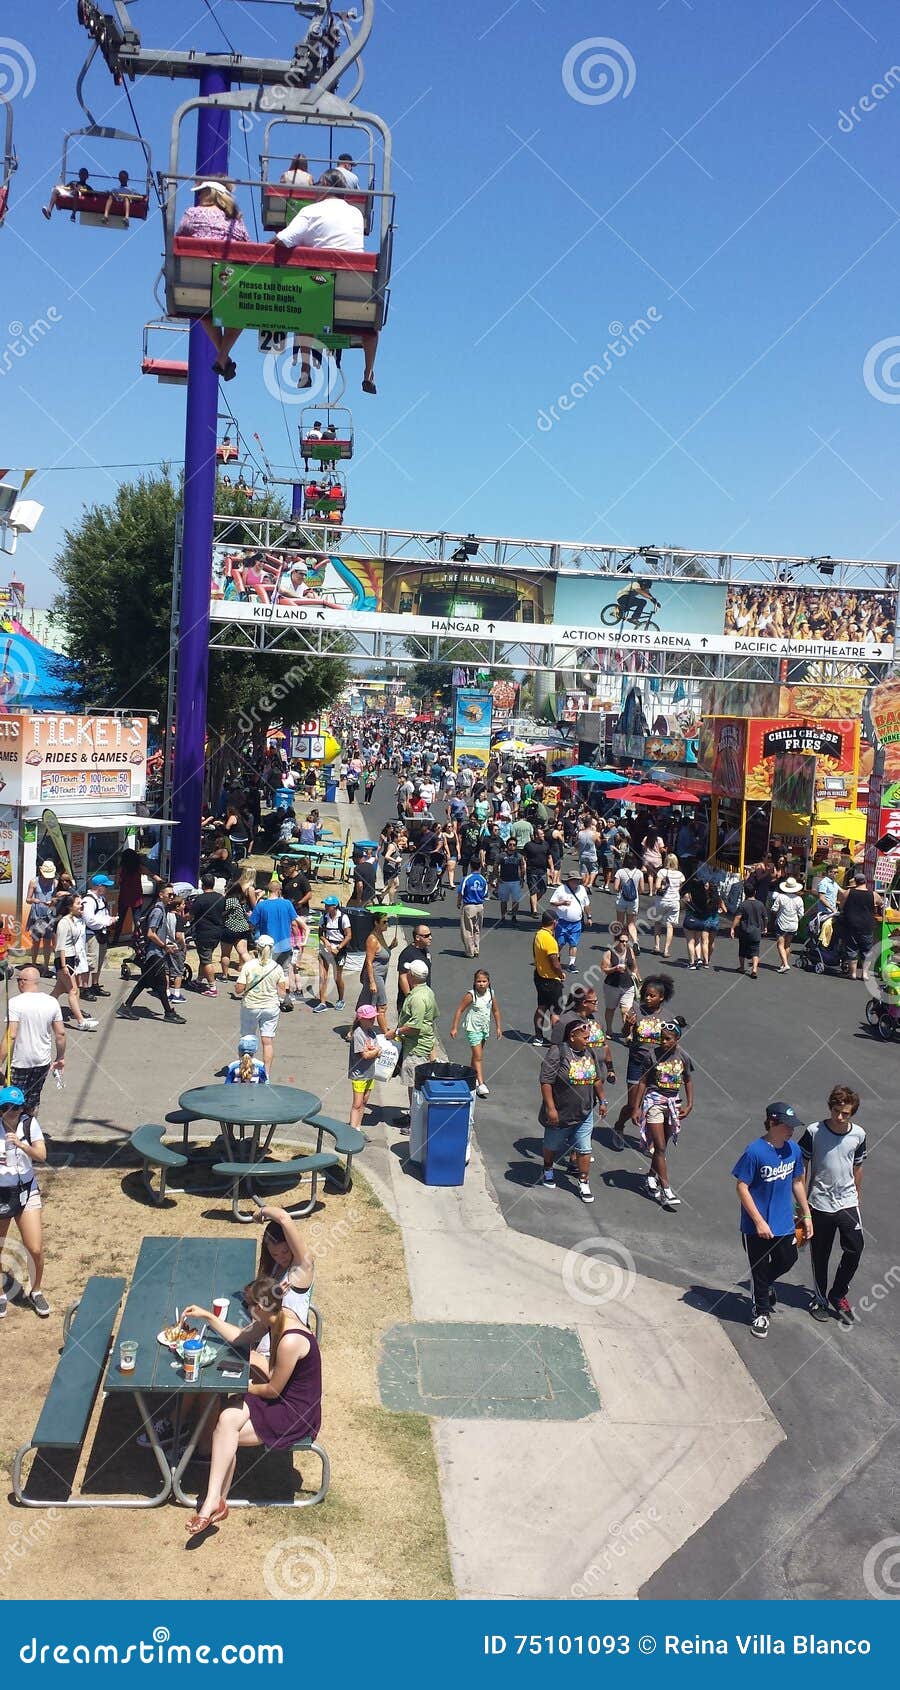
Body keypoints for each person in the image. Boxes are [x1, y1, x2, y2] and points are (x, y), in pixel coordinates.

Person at [182, 1275, 322, 1537]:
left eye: (249, 1305)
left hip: (294, 1410)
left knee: (225, 1432)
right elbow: (239, 1337)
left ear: (260, 1307)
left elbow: (272, 1389)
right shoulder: (276, 1316)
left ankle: (212, 1503)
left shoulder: (290, 1340)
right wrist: (207, 1316)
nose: (247, 1310)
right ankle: (215, 1501)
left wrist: (241, 1385)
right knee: (226, 1420)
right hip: (278, 1396)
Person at [274, 170, 378, 393]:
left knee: (305, 317)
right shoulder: (356, 214)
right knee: (371, 327)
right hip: (355, 292)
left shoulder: (310, 211)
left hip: (319, 290)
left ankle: (305, 370)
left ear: (325, 186)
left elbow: (284, 239)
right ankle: (368, 372)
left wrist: (261, 249)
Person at [732, 1101, 813, 1339]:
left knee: (788, 1259)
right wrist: (758, 1221)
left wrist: (806, 1214)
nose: (792, 1130)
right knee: (758, 1268)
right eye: (787, 1126)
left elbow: (797, 1182)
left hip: (783, 1221)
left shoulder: (793, 1150)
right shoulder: (755, 1151)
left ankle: (763, 1285)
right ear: (772, 1123)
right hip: (755, 1224)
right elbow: (742, 1187)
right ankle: (761, 1312)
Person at [800, 1085, 866, 1326]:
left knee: (855, 1248)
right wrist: (801, 1205)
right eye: (836, 1111)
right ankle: (819, 1300)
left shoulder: (859, 1134)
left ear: (852, 1113)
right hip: (819, 1202)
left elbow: (857, 1166)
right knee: (821, 1254)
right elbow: (802, 1166)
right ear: (830, 1108)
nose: (839, 1117)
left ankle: (838, 1294)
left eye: (845, 1113)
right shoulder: (813, 1131)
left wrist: (857, 1195)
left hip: (847, 1202)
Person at [176, 181, 250, 378]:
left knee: (203, 309)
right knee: (242, 310)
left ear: (210, 194)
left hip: (197, 279)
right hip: (229, 279)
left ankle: (223, 356)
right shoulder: (236, 221)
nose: (199, 195)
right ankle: (222, 356)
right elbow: (247, 246)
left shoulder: (192, 213)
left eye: (201, 192)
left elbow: (179, 237)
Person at [538, 1020, 605, 1203]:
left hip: (584, 1112)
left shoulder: (589, 1052)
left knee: (584, 1147)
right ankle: (548, 1168)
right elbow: (546, 1081)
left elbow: (596, 1079)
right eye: (585, 1037)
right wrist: (551, 1108)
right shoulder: (557, 1052)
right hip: (560, 1113)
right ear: (572, 1036)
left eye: (589, 1037)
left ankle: (583, 1182)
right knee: (552, 1144)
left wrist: (602, 1100)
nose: (588, 1040)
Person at [630, 1018, 693, 1210]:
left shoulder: (683, 1057)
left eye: (668, 1039)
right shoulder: (652, 1056)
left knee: (662, 1146)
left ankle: (651, 1176)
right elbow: (643, 1081)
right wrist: (636, 1107)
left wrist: (690, 1104)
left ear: (676, 1039)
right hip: (654, 1102)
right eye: (661, 1038)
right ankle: (666, 1189)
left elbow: (688, 1080)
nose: (663, 1042)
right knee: (660, 1146)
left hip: (673, 1102)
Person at [0, 1086, 49, 1319]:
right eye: (6, 1107)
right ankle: (1, 1295)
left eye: (17, 1107)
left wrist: (22, 1145)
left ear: (23, 1108)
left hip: (26, 1190)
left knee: (35, 1247)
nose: (12, 1112)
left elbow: (42, 1156)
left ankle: (36, 1290)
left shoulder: (29, 1125)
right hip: (1, 1193)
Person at [611, 974, 675, 1148]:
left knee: (653, 1106)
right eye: (646, 994)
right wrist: (627, 1024)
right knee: (633, 1105)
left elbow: (671, 1043)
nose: (647, 998)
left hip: (656, 1067)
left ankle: (652, 1139)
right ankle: (619, 1126)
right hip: (637, 1063)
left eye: (652, 996)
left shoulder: (667, 1018)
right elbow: (625, 1034)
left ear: (661, 997)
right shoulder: (636, 1010)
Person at [0, 966, 66, 1115]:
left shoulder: (15, 1002)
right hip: (42, 1061)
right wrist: (60, 1057)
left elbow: (11, 1035)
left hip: (19, 1062)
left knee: (11, 1102)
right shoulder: (52, 1002)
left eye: (18, 980)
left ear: (23, 982)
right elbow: (60, 1034)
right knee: (32, 1102)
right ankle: (30, 1126)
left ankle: (12, 1128)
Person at [116, 884, 186, 1025]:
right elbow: (151, 934)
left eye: (173, 895)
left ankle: (126, 1007)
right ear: (161, 895)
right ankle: (168, 1013)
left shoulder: (163, 909)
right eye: (169, 895)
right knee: (161, 984)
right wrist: (164, 946)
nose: (172, 897)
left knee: (145, 982)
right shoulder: (158, 911)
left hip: (156, 952)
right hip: (154, 954)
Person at [235, 934, 286, 1074]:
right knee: (267, 1041)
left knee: (247, 1039)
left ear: (257, 948)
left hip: (251, 1006)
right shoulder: (276, 967)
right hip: (270, 1007)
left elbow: (239, 989)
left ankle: (246, 1071)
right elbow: (282, 992)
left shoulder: (249, 965)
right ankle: (266, 1074)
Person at [450, 969, 502, 1098]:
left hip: (484, 1028)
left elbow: (495, 1011)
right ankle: (481, 1084)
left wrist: (498, 1027)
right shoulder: (471, 995)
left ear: (489, 982)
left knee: (476, 1055)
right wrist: (454, 1027)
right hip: (472, 1029)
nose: (482, 984)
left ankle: (470, 1077)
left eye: (484, 981)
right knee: (478, 1057)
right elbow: (460, 1010)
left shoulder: (491, 993)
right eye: (479, 981)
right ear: (474, 982)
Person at [395, 960, 438, 1115]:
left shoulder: (418, 998)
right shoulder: (428, 992)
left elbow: (414, 1027)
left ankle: (415, 1120)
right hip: (422, 1046)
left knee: (415, 1087)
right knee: (415, 1086)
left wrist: (396, 1032)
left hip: (416, 1049)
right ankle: (413, 1115)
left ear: (412, 975)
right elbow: (433, 1016)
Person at [51, 894, 97, 1032]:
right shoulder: (64, 922)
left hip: (71, 958)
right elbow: (60, 946)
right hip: (64, 960)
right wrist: (64, 965)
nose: (81, 905)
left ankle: (40, 1011)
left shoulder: (73, 919)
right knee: (73, 990)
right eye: (78, 903)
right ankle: (81, 1021)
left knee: (58, 990)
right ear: (70, 907)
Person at [250, 880, 299, 1008]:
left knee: (266, 972)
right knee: (284, 973)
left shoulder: (262, 905)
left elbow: (252, 923)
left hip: (268, 946)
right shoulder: (287, 904)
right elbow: (294, 924)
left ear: (268, 890)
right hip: (285, 945)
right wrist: (296, 941)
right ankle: (284, 999)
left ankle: (266, 998)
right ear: (279, 891)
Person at [356, 910, 396, 1035]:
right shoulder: (372, 939)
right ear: (376, 923)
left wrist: (390, 947)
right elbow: (369, 961)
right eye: (384, 922)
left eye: (388, 921)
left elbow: (380, 954)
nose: (387, 924)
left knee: (365, 1004)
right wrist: (372, 982)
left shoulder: (380, 935)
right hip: (375, 976)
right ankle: (386, 1033)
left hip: (381, 975)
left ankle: (353, 1031)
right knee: (381, 1006)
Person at [838, 870, 882, 980]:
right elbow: (881, 904)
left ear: (855, 882)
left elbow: (841, 906)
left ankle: (853, 973)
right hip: (867, 925)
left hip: (851, 924)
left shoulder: (848, 892)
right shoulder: (873, 894)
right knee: (866, 949)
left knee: (852, 948)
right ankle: (865, 974)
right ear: (865, 881)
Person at [189, 871, 226, 996]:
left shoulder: (200, 899)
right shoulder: (221, 898)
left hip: (204, 933)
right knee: (205, 957)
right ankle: (199, 980)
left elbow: (191, 915)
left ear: (202, 884)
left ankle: (212, 987)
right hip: (217, 932)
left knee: (206, 960)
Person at [531, 911, 565, 1046]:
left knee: (541, 1007)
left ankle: (538, 1037)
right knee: (556, 1011)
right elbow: (555, 963)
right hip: (551, 981)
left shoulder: (538, 935)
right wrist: (561, 974)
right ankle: (556, 1041)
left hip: (539, 976)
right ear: (554, 922)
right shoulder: (550, 941)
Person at [80, 873, 115, 1000]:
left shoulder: (101, 899)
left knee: (99, 961)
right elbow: (89, 920)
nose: (107, 889)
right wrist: (107, 922)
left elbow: (103, 914)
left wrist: (109, 919)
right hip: (91, 935)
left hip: (101, 933)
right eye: (105, 886)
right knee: (90, 962)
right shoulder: (88, 900)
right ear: (98, 886)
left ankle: (95, 985)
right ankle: (84, 988)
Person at [314, 895, 351, 1012]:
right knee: (322, 977)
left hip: (339, 949)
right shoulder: (324, 918)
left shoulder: (343, 918)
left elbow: (348, 935)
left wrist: (338, 948)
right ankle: (322, 1003)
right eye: (325, 905)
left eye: (328, 905)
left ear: (334, 906)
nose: (325, 907)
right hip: (326, 949)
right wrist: (326, 942)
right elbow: (320, 934)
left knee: (337, 977)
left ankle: (341, 999)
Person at [681, 868, 722, 970]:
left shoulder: (688, 896)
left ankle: (692, 962)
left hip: (690, 919)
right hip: (701, 921)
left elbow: (682, 906)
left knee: (691, 941)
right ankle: (699, 958)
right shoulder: (704, 897)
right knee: (698, 941)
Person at [549, 871, 591, 971]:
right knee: (560, 943)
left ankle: (572, 964)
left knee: (573, 943)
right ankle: (555, 959)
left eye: (578, 880)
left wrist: (589, 917)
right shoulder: (561, 889)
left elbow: (586, 904)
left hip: (576, 923)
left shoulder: (582, 889)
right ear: (569, 881)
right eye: (574, 880)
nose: (576, 882)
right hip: (562, 922)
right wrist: (561, 903)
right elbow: (552, 902)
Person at [600, 931, 640, 1037]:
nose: (624, 943)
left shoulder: (630, 950)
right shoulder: (609, 953)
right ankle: (609, 1030)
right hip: (612, 985)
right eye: (622, 941)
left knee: (626, 1010)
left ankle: (627, 1034)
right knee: (611, 1008)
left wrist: (638, 979)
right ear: (616, 941)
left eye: (626, 941)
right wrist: (615, 968)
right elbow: (604, 969)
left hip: (628, 985)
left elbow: (634, 967)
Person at [348, 1003, 381, 1129]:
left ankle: (358, 1127)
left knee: (364, 1102)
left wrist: (374, 1051)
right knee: (357, 1104)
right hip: (359, 1074)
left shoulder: (371, 1033)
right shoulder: (358, 1034)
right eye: (370, 1018)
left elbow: (378, 1051)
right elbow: (365, 1055)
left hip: (370, 1073)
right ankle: (352, 1129)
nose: (373, 1020)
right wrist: (375, 1051)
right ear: (361, 1019)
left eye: (373, 1018)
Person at [219, 869, 257, 978]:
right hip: (243, 928)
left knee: (225, 954)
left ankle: (224, 975)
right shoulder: (241, 902)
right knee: (244, 953)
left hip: (229, 929)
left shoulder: (230, 901)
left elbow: (221, 911)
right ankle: (255, 972)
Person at [24, 861, 58, 973]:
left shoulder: (55, 882)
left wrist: (52, 901)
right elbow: (28, 899)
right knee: (36, 941)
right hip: (37, 915)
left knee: (48, 941)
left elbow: (57, 898)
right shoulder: (34, 881)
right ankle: (33, 964)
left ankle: (46, 966)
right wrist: (34, 900)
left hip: (50, 915)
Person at [769, 874, 805, 973]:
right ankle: (783, 964)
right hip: (793, 924)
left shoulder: (781, 897)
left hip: (782, 923)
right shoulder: (799, 899)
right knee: (788, 945)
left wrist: (776, 914)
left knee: (780, 945)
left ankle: (785, 964)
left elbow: (774, 909)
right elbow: (801, 914)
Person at [650, 853, 684, 957]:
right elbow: (680, 886)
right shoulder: (680, 874)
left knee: (658, 922)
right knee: (670, 925)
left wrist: (663, 886)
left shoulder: (662, 872)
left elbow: (657, 886)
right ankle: (666, 950)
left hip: (662, 900)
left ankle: (656, 946)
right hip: (674, 901)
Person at [730, 886, 768, 978]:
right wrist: (765, 927)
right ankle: (754, 970)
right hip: (756, 931)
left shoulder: (743, 905)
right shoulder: (760, 904)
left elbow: (738, 917)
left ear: (745, 893)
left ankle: (742, 967)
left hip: (744, 931)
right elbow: (765, 917)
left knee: (742, 949)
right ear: (755, 892)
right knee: (755, 951)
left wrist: (732, 928)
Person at [396, 923, 432, 1014]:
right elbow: (402, 977)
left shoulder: (425, 950)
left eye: (430, 934)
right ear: (417, 937)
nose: (430, 937)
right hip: (411, 1001)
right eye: (426, 936)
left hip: (423, 997)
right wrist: (410, 999)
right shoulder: (407, 954)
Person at [457, 862, 488, 958]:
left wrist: (458, 902)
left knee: (467, 929)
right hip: (480, 906)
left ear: (471, 866)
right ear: (479, 867)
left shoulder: (466, 879)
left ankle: (469, 951)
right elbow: (485, 894)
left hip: (469, 906)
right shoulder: (483, 879)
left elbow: (461, 892)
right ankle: (476, 949)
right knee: (476, 929)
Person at [612, 856, 643, 948]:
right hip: (633, 901)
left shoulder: (620, 872)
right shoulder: (639, 872)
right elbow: (641, 889)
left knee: (619, 923)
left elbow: (615, 888)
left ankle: (619, 943)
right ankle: (635, 941)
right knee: (631, 924)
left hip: (621, 900)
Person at [522, 825, 552, 917]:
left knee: (543, 890)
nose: (543, 835)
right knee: (533, 890)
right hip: (532, 871)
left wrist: (551, 868)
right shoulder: (528, 845)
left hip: (543, 871)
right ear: (536, 835)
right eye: (541, 834)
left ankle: (533, 902)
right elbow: (524, 859)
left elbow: (549, 857)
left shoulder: (546, 844)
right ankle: (534, 910)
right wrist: (523, 870)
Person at [497, 837, 525, 924]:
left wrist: (522, 878)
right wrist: (497, 877)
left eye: (514, 845)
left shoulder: (519, 856)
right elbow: (495, 865)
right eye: (510, 844)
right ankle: (503, 917)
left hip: (515, 881)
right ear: (507, 845)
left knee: (516, 900)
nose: (512, 846)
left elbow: (522, 867)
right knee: (503, 900)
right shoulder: (501, 855)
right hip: (503, 881)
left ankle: (514, 916)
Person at [641, 828, 667, 896]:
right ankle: (655, 891)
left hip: (648, 858)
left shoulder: (646, 838)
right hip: (657, 859)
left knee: (650, 875)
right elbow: (661, 850)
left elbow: (643, 848)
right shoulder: (659, 839)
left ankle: (650, 892)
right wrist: (665, 850)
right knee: (658, 875)